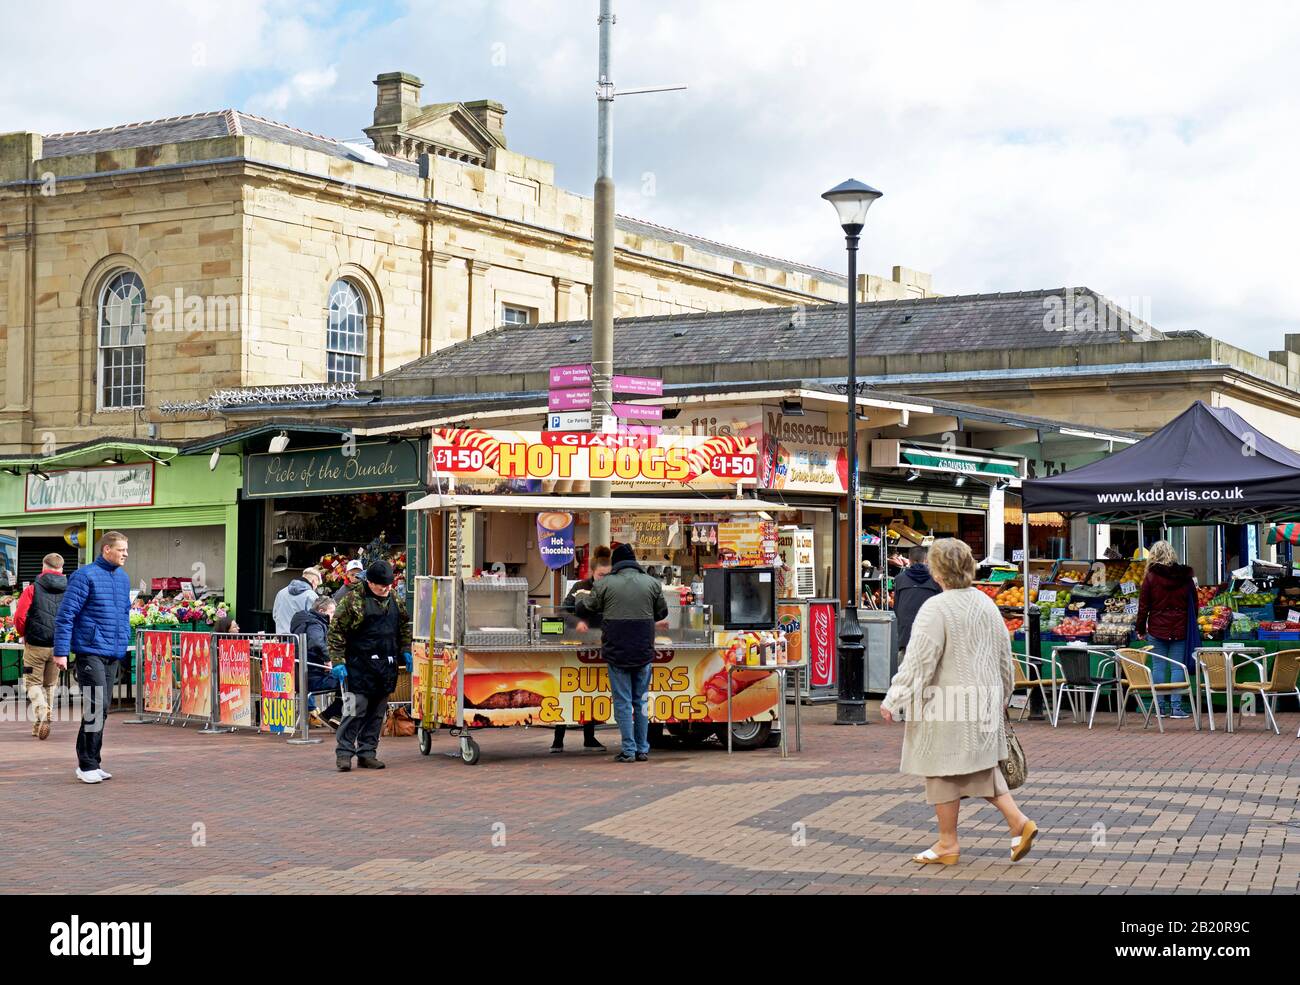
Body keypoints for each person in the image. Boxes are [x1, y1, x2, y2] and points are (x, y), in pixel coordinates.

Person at [879, 538, 1038, 865]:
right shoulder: (986, 604)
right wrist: (1004, 696)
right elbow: (1004, 658)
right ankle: (1015, 824)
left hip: (945, 704)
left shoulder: (935, 608)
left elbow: (919, 660)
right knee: (975, 768)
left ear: (937, 571)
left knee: (940, 770)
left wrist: (895, 697)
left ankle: (949, 843)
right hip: (983, 701)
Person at [53, 532, 132, 785]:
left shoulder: (122, 578)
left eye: (126, 550)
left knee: (103, 708)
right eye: (121, 549)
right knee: (96, 706)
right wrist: (61, 652)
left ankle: (92, 762)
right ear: (106, 549)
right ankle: (86, 764)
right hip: (89, 651)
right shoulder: (84, 576)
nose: (125, 554)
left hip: (112, 652)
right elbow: (66, 615)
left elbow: (124, 614)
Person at [576, 542, 667, 763]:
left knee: (623, 702)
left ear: (616, 563)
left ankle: (628, 750)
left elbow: (585, 608)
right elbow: (662, 612)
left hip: (617, 651)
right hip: (643, 649)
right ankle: (642, 748)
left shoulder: (605, 584)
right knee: (641, 701)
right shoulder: (652, 583)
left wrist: (579, 596)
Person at [327, 559, 411, 771]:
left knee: (376, 714)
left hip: (385, 665)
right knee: (355, 709)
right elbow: (336, 631)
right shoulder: (353, 600)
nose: (386, 589)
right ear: (370, 582)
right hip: (359, 666)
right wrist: (338, 660)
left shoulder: (394, 599)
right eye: (382, 585)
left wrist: (406, 650)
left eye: (389, 585)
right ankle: (344, 753)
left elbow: (404, 626)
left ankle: (367, 752)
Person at [551, 546, 611, 754]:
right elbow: (562, 612)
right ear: (592, 572)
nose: (604, 578)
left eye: (608, 575)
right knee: (567, 691)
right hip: (574, 644)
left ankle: (589, 738)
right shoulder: (579, 587)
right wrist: (576, 622)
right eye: (602, 575)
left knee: (590, 691)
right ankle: (558, 739)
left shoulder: (611, 590)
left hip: (599, 644)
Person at [1134, 539, 1195, 720]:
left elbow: (1143, 607)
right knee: (1177, 667)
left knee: (1158, 666)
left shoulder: (1150, 578)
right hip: (1180, 627)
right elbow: (1194, 603)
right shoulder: (1185, 577)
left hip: (1157, 627)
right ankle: (1176, 707)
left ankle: (1160, 707)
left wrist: (1140, 628)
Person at [15, 552, 67, 740]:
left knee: (32, 683)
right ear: (61, 569)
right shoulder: (69, 589)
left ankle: (43, 711)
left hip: (35, 645)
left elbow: (20, 616)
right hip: (58, 646)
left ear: (43, 567)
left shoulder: (32, 589)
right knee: (50, 685)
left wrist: (23, 633)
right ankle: (39, 725)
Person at [292, 595, 343, 728]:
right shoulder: (315, 624)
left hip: (301, 676)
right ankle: (332, 715)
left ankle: (334, 716)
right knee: (350, 678)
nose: (333, 616)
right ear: (321, 611)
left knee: (346, 676)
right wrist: (327, 660)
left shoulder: (302, 620)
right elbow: (316, 642)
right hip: (313, 677)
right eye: (332, 612)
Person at [893, 546, 942, 654]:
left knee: (906, 666)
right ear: (926, 560)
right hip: (930, 634)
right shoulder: (937, 579)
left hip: (906, 635)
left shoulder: (900, 579)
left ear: (909, 560)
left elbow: (896, 608)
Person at [273, 566, 321, 635]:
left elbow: (275, 615)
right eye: (317, 585)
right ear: (313, 582)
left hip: (282, 638)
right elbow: (314, 621)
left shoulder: (281, 593)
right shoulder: (311, 595)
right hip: (300, 641)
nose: (316, 588)